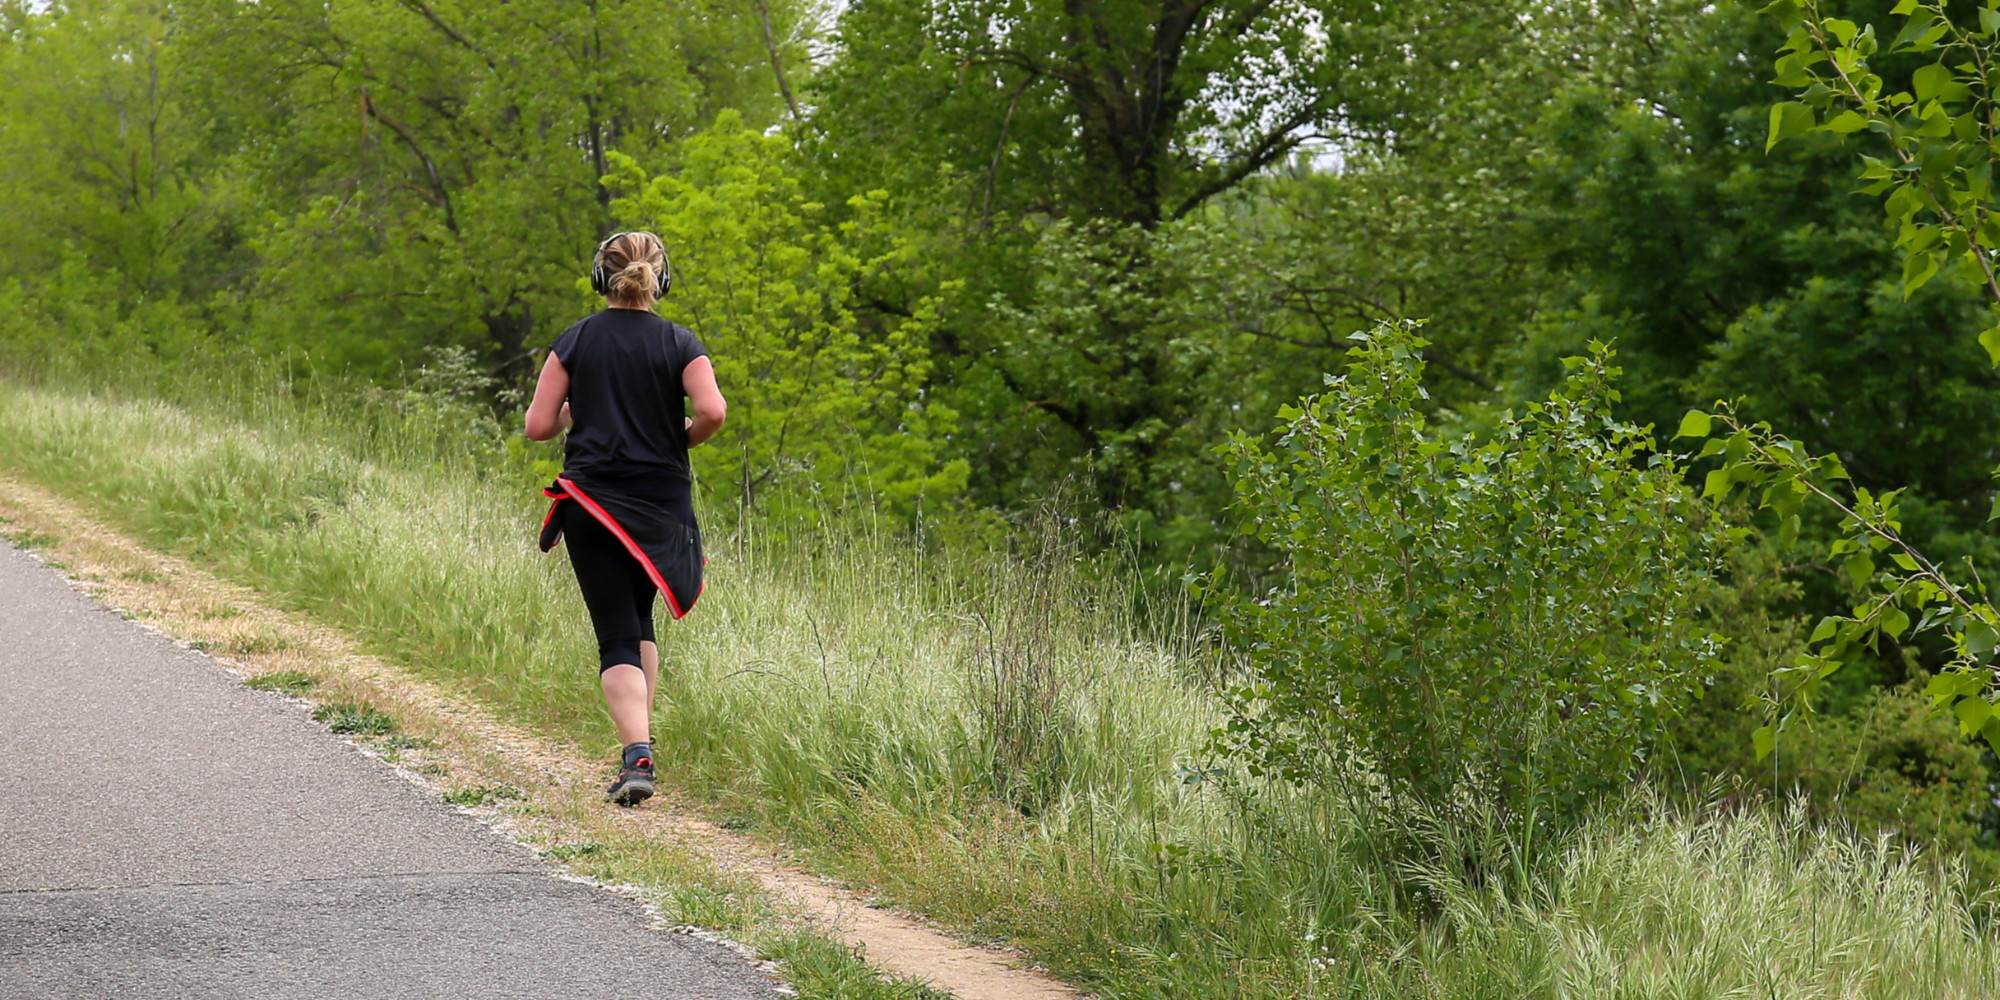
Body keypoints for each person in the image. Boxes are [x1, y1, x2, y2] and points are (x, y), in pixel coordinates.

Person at [523, 231, 726, 807]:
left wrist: (571, 411)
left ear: (600, 278)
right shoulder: (680, 342)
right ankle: (641, 748)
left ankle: (637, 755)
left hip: (593, 504)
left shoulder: (576, 340)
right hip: (660, 505)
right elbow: (712, 411)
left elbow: (538, 427)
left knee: (616, 634)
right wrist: (683, 437)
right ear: (661, 279)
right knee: (640, 622)